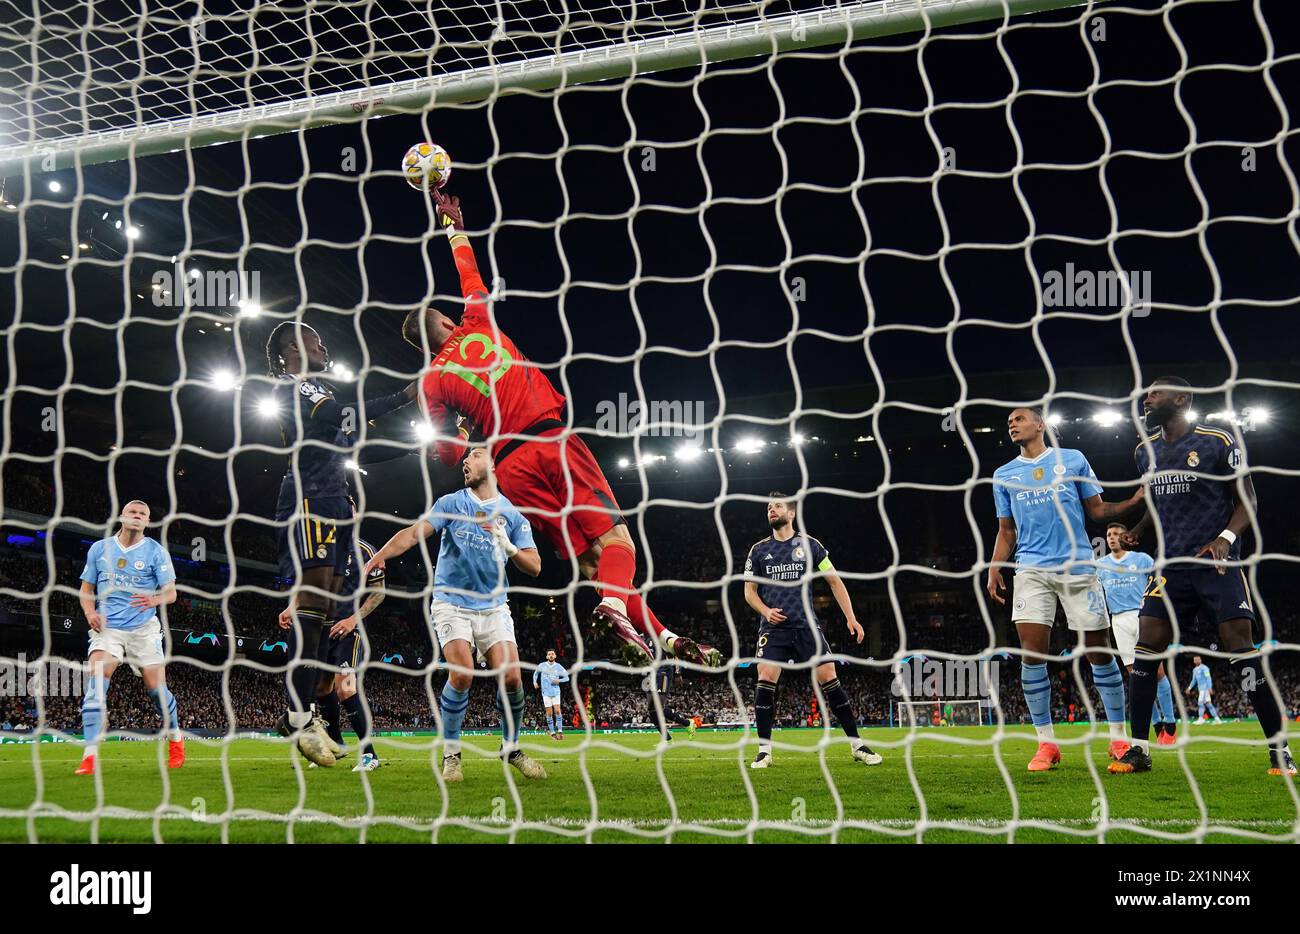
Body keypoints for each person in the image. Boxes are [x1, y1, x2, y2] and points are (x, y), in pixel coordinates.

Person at [402, 189, 717, 668]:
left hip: (511, 471)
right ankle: (613, 606)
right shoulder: (477, 319)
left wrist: (464, 429)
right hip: (548, 438)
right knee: (617, 543)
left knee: (593, 563)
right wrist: (452, 224)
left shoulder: (431, 384)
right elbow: (468, 268)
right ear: (446, 320)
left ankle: (665, 639)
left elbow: (448, 456)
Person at [1110, 377, 1293, 776]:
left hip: (1216, 564)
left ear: (1182, 399)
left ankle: (1279, 750)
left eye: (1155, 393)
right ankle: (1138, 749)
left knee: (1239, 650)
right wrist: (1138, 533)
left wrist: (1225, 538)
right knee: (1146, 649)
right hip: (1170, 568)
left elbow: (1248, 498)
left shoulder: (1218, 440)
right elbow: (1158, 505)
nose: (1147, 398)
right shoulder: (1145, 451)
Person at [265, 321, 414, 766]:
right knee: (311, 609)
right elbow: (338, 415)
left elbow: (357, 449)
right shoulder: (295, 389)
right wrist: (403, 397)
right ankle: (298, 719)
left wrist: (413, 448)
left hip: (335, 503)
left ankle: (303, 716)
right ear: (293, 346)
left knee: (322, 612)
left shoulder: (316, 391)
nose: (323, 344)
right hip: (310, 503)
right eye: (315, 338)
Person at [365, 445, 546, 782]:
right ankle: (451, 756)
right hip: (451, 602)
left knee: (512, 678)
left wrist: (509, 547)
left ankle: (511, 747)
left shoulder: (513, 515)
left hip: (493, 606)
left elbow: (534, 566)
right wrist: (380, 556)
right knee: (461, 674)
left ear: (493, 463)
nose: (465, 460)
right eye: (466, 457)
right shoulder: (451, 503)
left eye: (474, 455)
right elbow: (414, 532)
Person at [987, 407, 1143, 772]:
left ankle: (1118, 736)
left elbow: (1098, 510)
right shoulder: (1003, 475)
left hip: (1077, 566)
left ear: (1040, 424)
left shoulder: (1072, 460)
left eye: (1019, 418)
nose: (1012, 423)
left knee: (1098, 651)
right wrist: (995, 566)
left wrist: (1134, 502)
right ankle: (1046, 744)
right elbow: (1006, 531)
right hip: (1030, 569)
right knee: (1031, 653)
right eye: (1008, 420)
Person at [742, 493, 880, 769]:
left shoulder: (811, 545)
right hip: (774, 627)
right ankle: (764, 751)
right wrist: (766, 611)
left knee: (829, 675)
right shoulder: (758, 550)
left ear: (791, 513)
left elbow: (834, 581)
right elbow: (749, 592)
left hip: (806, 625)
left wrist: (851, 618)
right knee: (766, 676)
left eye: (778, 506)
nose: (772, 510)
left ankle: (857, 744)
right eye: (769, 507)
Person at [75, 500, 183, 775]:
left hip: (143, 630)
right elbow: (86, 589)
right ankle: (89, 756)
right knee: (96, 685)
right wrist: (90, 613)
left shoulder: (156, 552)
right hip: (108, 628)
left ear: (147, 522)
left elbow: (171, 594)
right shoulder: (99, 549)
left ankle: (175, 739)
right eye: (133, 512)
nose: (137, 516)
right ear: (122, 517)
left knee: (157, 691)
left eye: (143, 514)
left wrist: (154, 598)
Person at [1096, 522, 1175, 744]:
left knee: (1156, 670)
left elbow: (1160, 582)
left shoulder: (1142, 560)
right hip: (1118, 620)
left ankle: (1170, 725)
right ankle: (1157, 724)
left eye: (1117, 534)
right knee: (1135, 676)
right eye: (1109, 534)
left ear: (1126, 537)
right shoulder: (1100, 564)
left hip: (1143, 617)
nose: (1112, 537)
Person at [533, 649, 569, 739]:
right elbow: (535, 674)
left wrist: (559, 680)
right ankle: (553, 733)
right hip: (546, 692)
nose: (551, 655)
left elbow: (567, 677)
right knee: (549, 713)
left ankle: (560, 732)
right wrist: (534, 682)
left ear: (555, 656)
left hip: (556, 692)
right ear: (547, 657)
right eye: (549, 654)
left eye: (552, 654)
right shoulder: (542, 665)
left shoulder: (559, 666)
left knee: (557, 710)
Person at [1186, 655, 1223, 725]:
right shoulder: (1194, 670)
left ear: (1200, 660)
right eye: (1195, 660)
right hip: (1201, 689)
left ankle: (1201, 719)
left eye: (1198, 659)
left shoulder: (1204, 668)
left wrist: (1210, 687)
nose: (1196, 661)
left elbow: (1208, 678)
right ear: (1194, 661)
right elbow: (1194, 680)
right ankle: (1217, 719)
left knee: (1200, 703)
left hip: (1205, 688)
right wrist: (1189, 688)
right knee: (1208, 704)